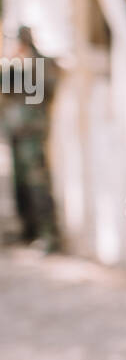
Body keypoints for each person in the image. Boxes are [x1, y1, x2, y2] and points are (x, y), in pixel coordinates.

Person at [0, 26, 61, 252]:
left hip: (32, 135)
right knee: (21, 186)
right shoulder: (13, 65)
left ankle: (48, 235)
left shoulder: (39, 64)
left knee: (37, 185)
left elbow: (41, 92)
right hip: (15, 132)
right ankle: (28, 231)